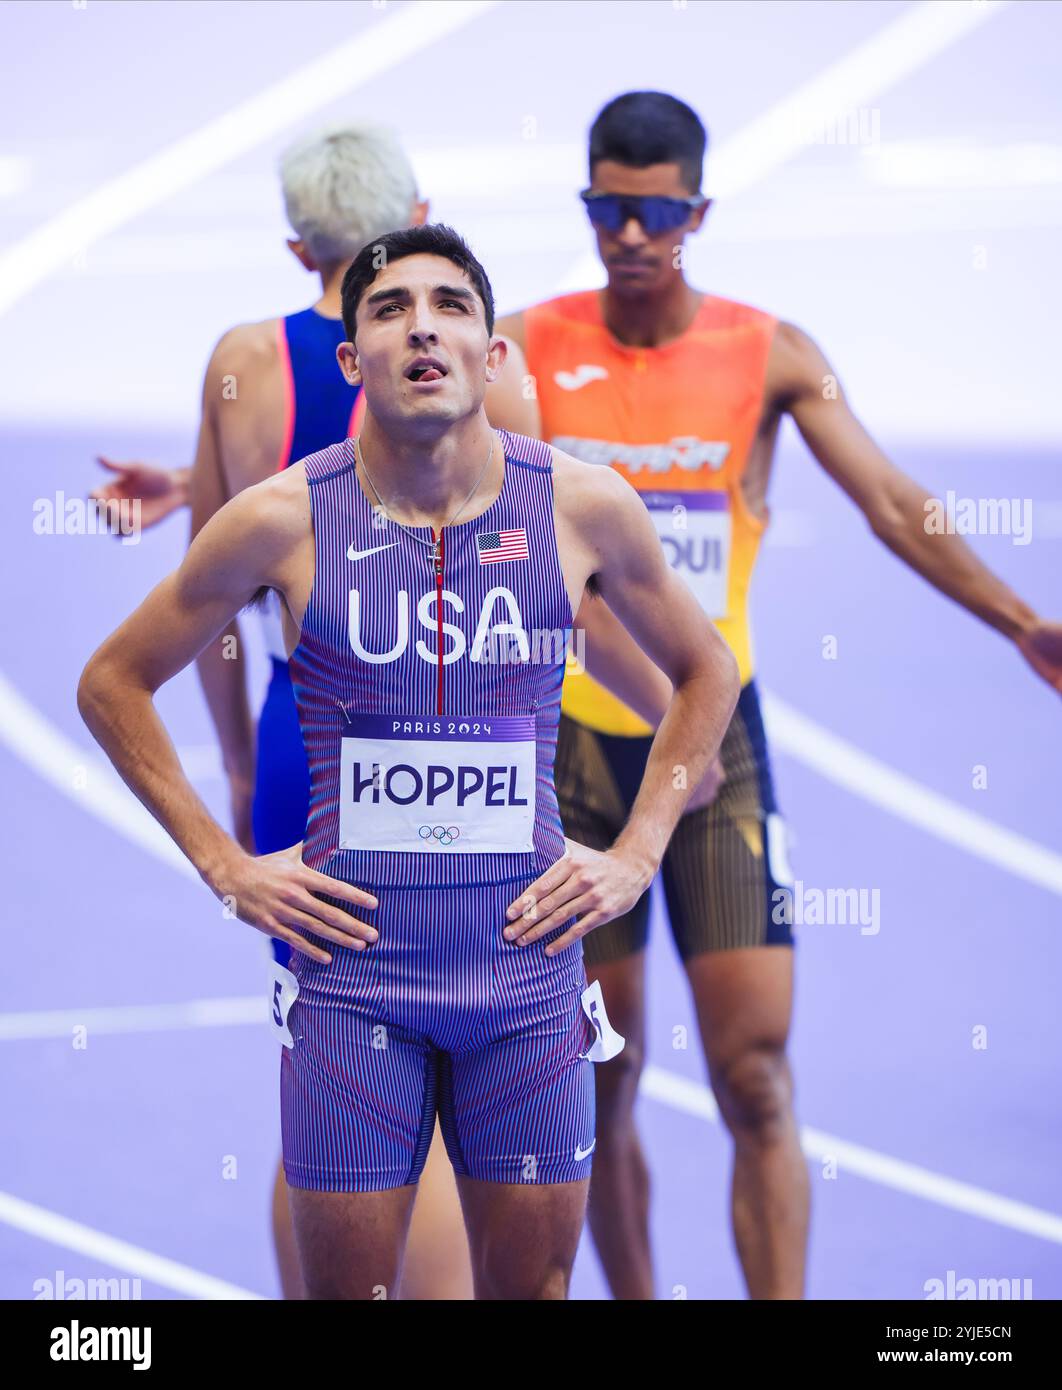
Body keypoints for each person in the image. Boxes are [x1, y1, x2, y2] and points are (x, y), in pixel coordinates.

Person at [77, 223, 740, 1299]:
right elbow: (112, 681)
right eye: (388, 310)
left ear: (493, 353)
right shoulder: (281, 519)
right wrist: (226, 864)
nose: (420, 325)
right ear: (352, 361)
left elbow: (707, 672)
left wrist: (638, 849)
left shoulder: (582, 506)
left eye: (451, 307)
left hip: (524, 979)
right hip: (352, 985)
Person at [495, 90, 1062, 1300]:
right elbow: (428, 462)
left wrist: (1020, 621)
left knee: (754, 1075)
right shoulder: (525, 348)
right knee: (602, 1070)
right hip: (580, 753)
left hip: (716, 750)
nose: (628, 233)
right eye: (606, 206)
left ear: (695, 211)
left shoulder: (771, 355)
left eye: (653, 211)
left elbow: (891, 500)